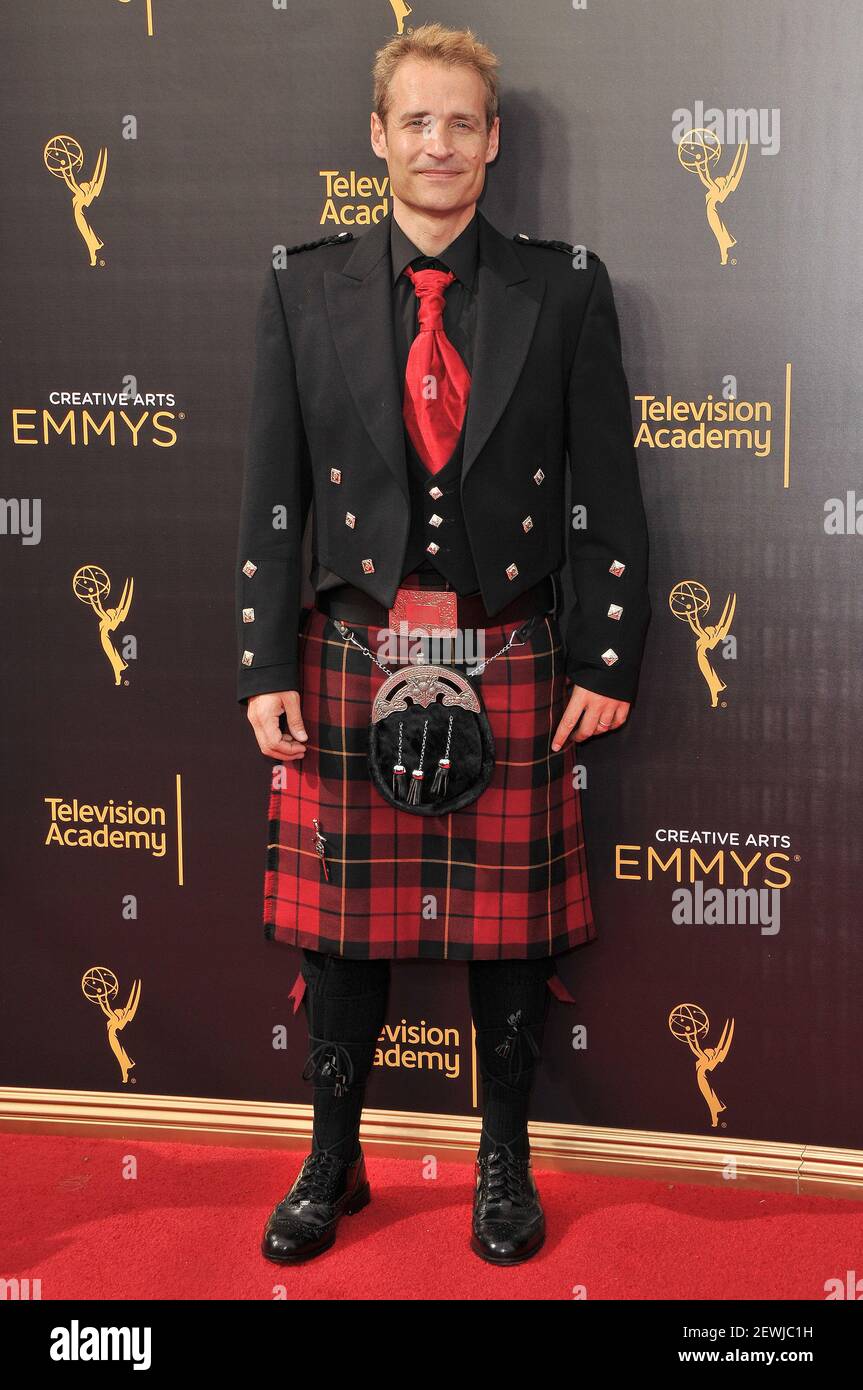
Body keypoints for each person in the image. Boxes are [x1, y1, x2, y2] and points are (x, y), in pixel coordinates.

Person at [234, 22, 650, 1266]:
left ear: (493, 141)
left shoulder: (562, 285)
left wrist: (606, 655)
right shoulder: (300, 286)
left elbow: (606, 492)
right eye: (414, 120)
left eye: (461, 122)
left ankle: (502, 1165)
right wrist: (261, 662)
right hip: (350, 650)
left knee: (508, 932)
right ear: (376, 137)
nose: (437, 143)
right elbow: (271, 493)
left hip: (511, 647)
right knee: (342, 932)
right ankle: (333, 1158)